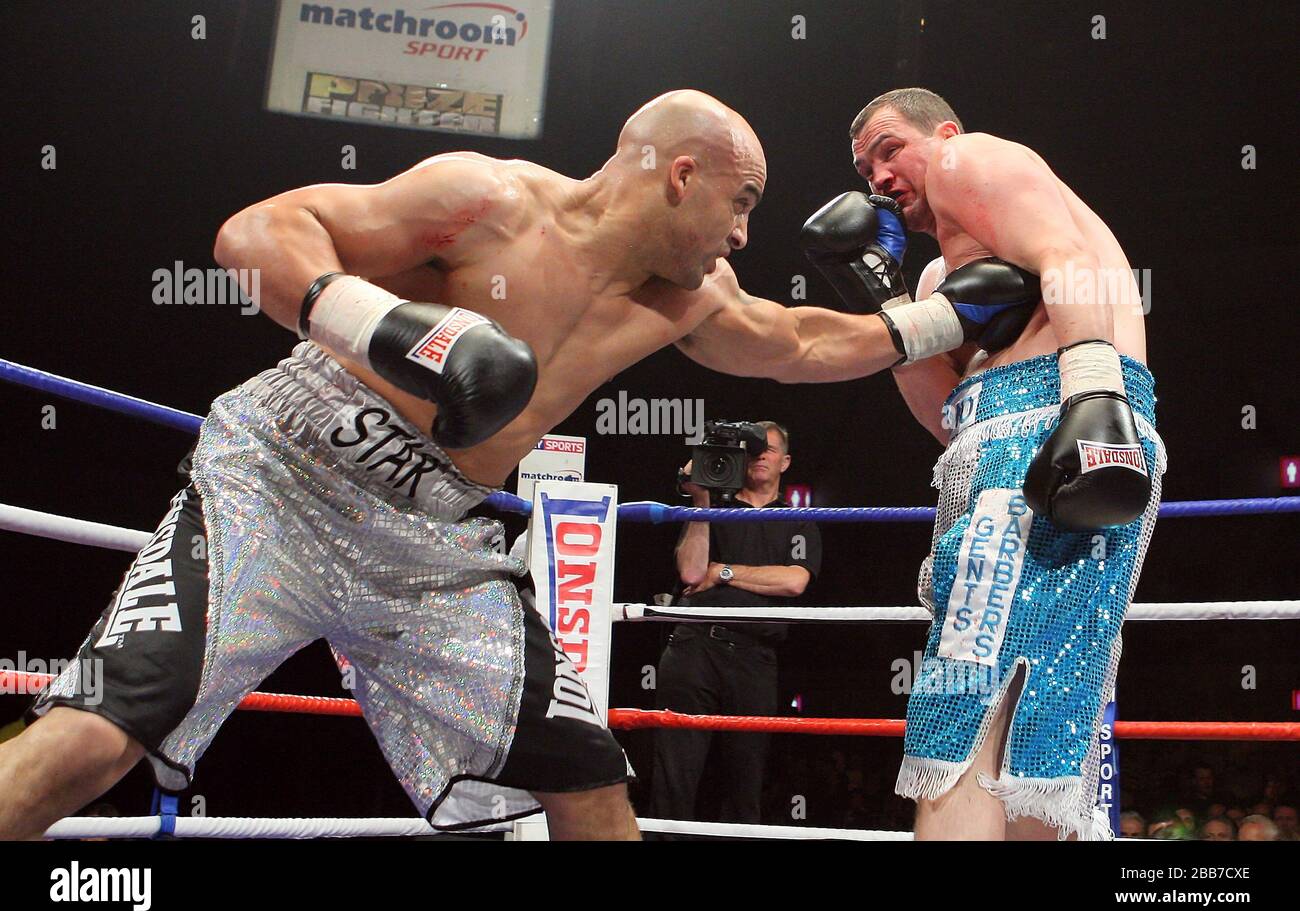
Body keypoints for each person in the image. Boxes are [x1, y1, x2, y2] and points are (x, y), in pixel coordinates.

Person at [0, 90, 1034, 841]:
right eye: (740, 200)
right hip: (282, 475)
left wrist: (945, 312)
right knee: (97, 737)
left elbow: (804, 343)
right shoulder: (489, 199)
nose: (742, 232)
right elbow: (258, 232)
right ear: (684, 173)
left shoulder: (688, 300)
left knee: (590, 787)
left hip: (428, 542)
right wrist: (390, 327)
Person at [846, 88, 1167, 840]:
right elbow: (947, 414)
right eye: (865, 168)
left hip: (1062, 420)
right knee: (1041, 708)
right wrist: (884, 297)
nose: (877, 177)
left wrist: (1091, 398)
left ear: (944, 133)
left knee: (964, 700)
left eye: (890, 148)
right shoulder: (937, 280)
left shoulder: (970, 156)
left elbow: (1072, 261)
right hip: (1005, 446)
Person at [651, 422, 820, 823]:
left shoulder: (799, 522)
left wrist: (724, 571)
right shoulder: (713, 508)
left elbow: (794, 581)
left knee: (746, 782)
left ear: (785, 461)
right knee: (675, 777)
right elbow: (692, 573)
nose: (761, 454)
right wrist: (701, 499)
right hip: (695, 648)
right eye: (753, 448)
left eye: (770, 449)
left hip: (754, 658)